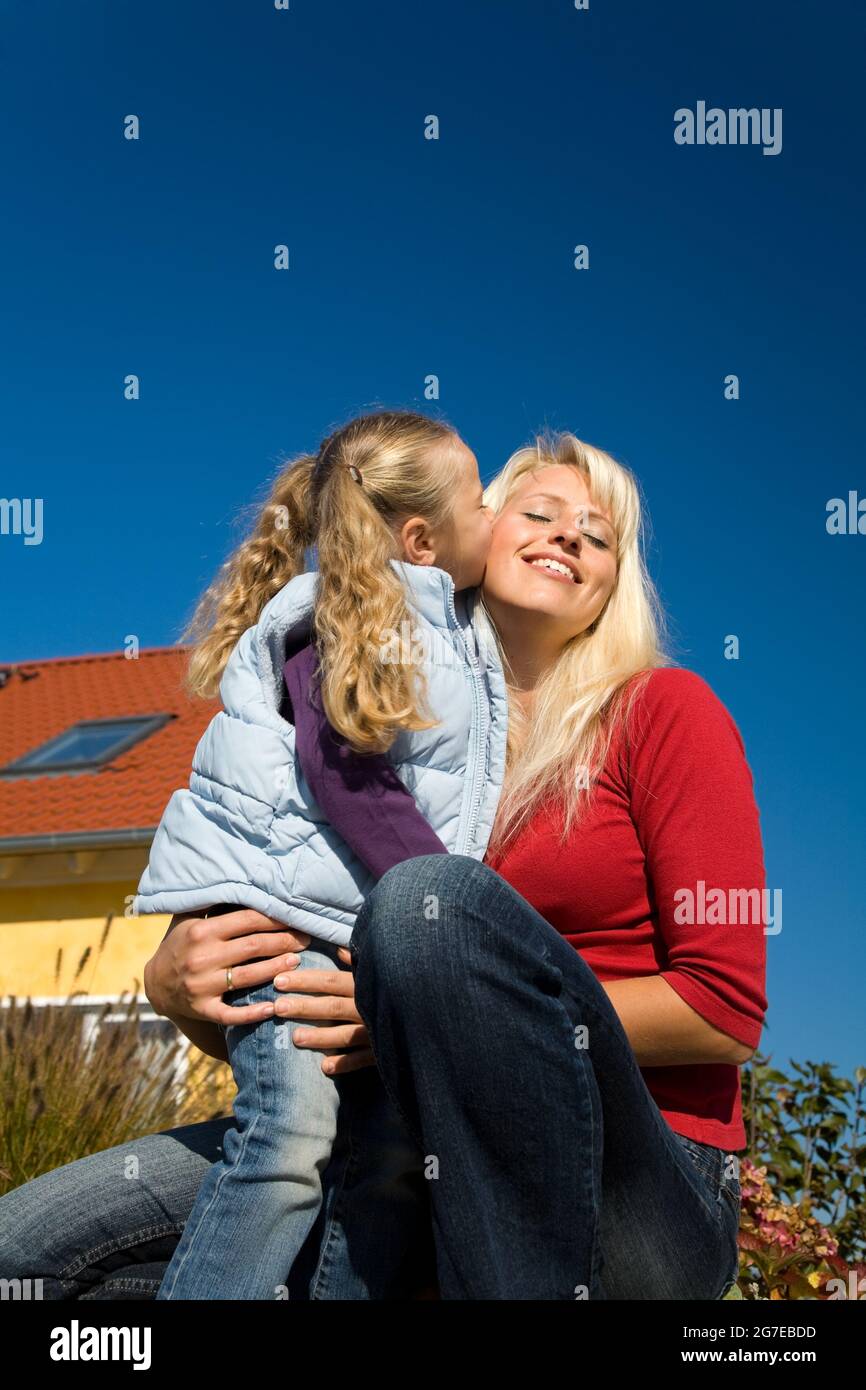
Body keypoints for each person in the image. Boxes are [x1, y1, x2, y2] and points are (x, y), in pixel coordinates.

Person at [0, 431, 767, 1300]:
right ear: (458, 536)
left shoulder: (668, 713)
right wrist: (177, 991)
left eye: (595, 537)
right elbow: (298, 941)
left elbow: (725, 1010)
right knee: (32, 1255)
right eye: (538, 513)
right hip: (400, 1137)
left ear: (611, 585)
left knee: (423, 898)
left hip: (634, 1180)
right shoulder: (395, 706)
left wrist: (438, 1017)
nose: (565, 539)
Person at [133, 409, 507, 1299]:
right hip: (278, 927)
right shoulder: (336, 616)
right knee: (288, 1138)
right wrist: (447, 904)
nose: (495, 514)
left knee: (382, 1160)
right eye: (483, 499)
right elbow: (344, 776)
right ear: (420, 538)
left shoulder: (450, 635)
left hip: (345, 936)